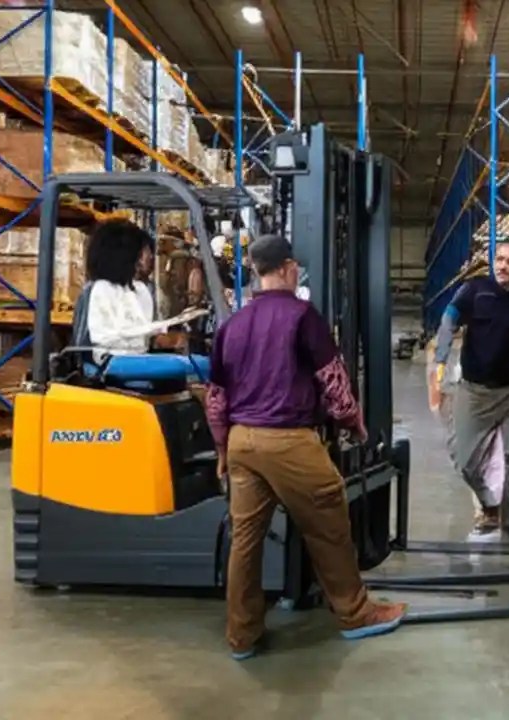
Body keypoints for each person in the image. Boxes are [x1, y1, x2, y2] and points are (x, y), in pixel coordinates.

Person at [205, 234, 406, 661]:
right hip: (289, 440)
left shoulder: (232, 324)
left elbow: (216, 397)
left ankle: (242, 635)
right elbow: (333, 381)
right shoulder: (302, 316)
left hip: (242, 440)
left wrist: (224, 448)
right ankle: (355, 614)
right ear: (288, 268)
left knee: (245, 539)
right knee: (329, 525)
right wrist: (354, 423)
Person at [430, 239, 509, 543]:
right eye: (498, 259)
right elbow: (449, 317)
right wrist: (441, 358)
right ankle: (490, 505)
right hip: (474, 392)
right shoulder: (475, 290)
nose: (501, 266)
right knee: (464, 459)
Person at [83, 219, 209, 381]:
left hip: (138, 357)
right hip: (113, 359)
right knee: (193, 365)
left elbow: (145, 334)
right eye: (144, 251)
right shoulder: (102, 289)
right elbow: (123, 331)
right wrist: (160, 328)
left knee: (205, 363)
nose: (150, 256)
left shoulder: (141, 290)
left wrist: (171, 333)